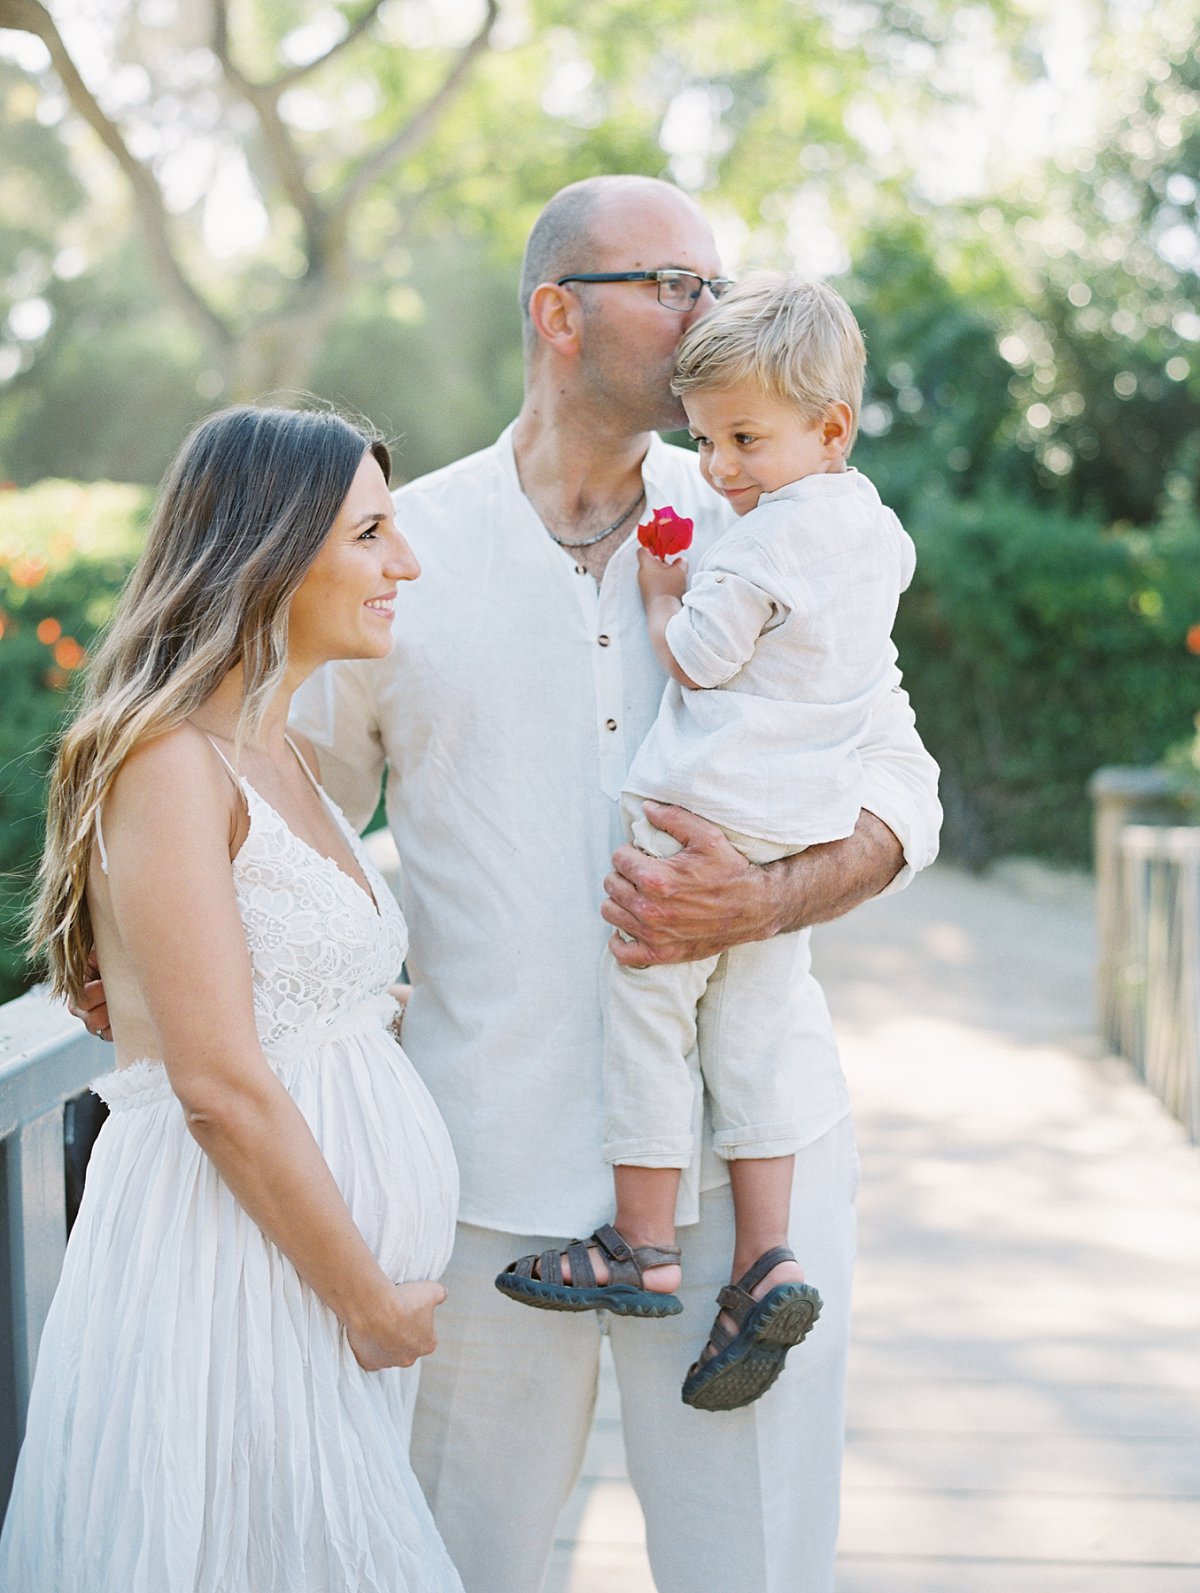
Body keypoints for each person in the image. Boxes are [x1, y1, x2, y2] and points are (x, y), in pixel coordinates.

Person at [78, 175, 940, 1593]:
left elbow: (903, 785)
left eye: (715, 284)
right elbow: (264, 790)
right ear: (558, 315)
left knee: (761, 1571)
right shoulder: (389, 550)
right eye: (673, 283)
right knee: (454, 1569)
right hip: (479, 1184)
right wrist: (117, 930)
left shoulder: (774, 503)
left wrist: (766, 901)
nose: (709, 312)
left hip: (749, 1176)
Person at [3, 406, 464, 1592]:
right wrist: (367, 1303)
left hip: (303, 1287)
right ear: (271, 550)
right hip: (235, 1280)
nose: (403, 563)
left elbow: (284, 991)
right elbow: (212, 1083)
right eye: (371, 534)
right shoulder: (168, 761)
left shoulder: (282, 746)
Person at [496, 271, 916, 1418]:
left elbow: (700, 658)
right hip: (800, 820)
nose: (722, 468)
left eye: (743, 440)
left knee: (649, 1010)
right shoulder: (875, 530)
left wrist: (664, 589)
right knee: (756, 1035)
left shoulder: (760, 542)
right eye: (707, 441)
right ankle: (768, 1256)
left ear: (829, 427)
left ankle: (642, 1240)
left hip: (702, 814)